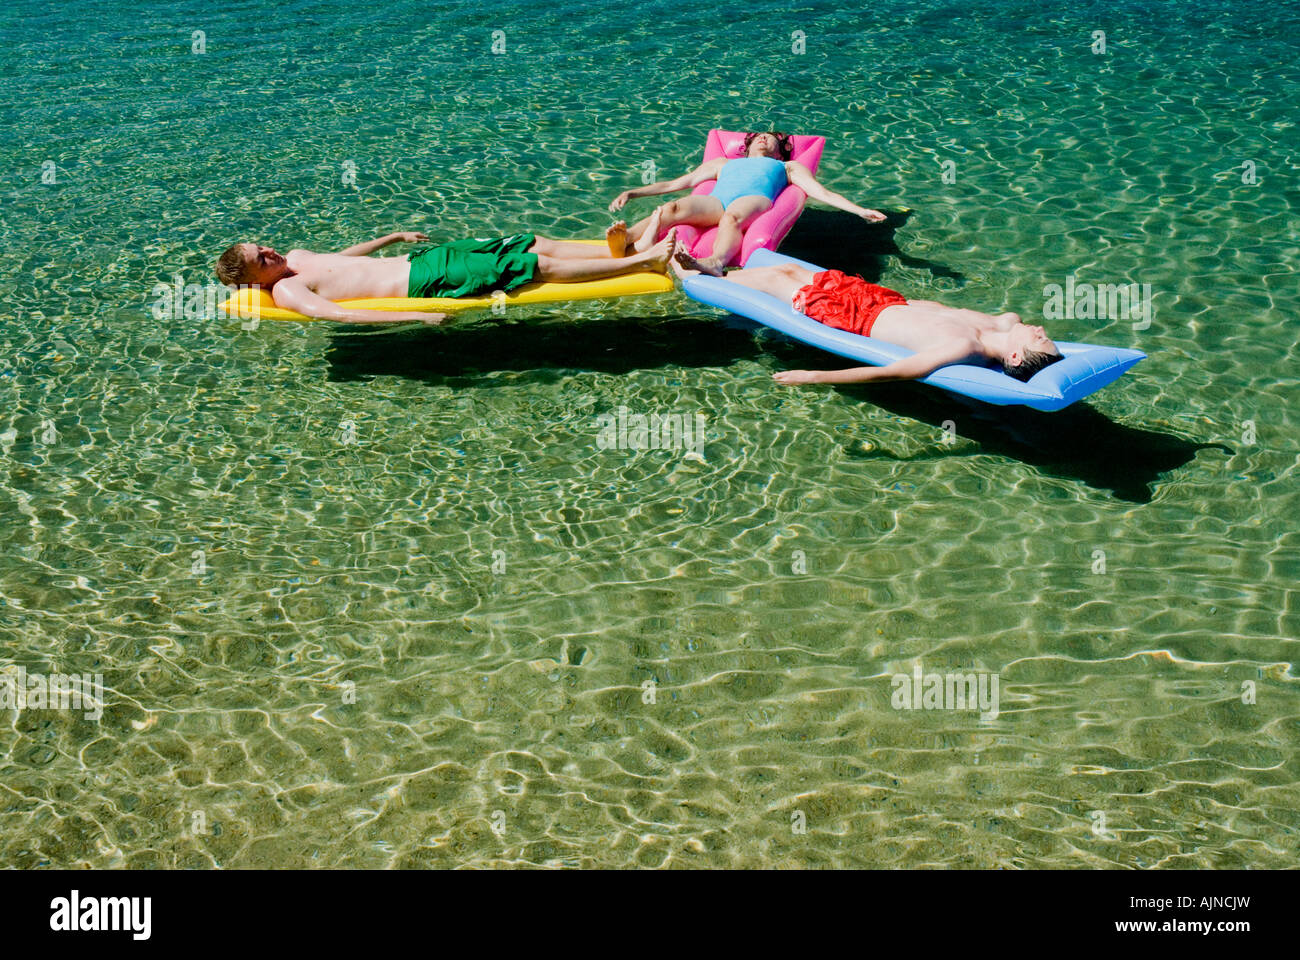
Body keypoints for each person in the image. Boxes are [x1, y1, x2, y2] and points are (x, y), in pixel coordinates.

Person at [670, 250, 1064, 384]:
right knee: (788, 271)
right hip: (879, 297)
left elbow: (893, 372)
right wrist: (1036, 344)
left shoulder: (965, 348)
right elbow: (1015, 322)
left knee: (777, 276)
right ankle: (715, 269)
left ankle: (696, 275)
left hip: (853, 317)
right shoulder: (1005, 323)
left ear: (1014, 358)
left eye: (1039, 339)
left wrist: (813, 376)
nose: (1041, 329)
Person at [214, 225, 678, 324]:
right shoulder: (289, 291)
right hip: (424, 283)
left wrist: (390, 238)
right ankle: (642, 262)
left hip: (427, 258)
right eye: (264, 258)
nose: (272, 251)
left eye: (264, 246)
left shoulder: (295, 258)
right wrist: (416, 318)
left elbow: (343, 258)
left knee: (529, 242)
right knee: (533, 267)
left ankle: (624, 247)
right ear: (256, 281)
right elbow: (339, 315)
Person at [606, 130, 887, 276]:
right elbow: (675, 184)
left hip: (755, 201)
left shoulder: (787, 167)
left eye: (773, 138)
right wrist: (633, 192)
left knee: (732, 218)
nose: (765, 138)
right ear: (747, 146)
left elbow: (822, 193)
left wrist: (859, 210)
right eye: (759, 136)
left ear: (780, 151)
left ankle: (716, 262)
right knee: (673, 209)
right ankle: (629, 239)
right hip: (716, 201)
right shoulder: (722, 163)